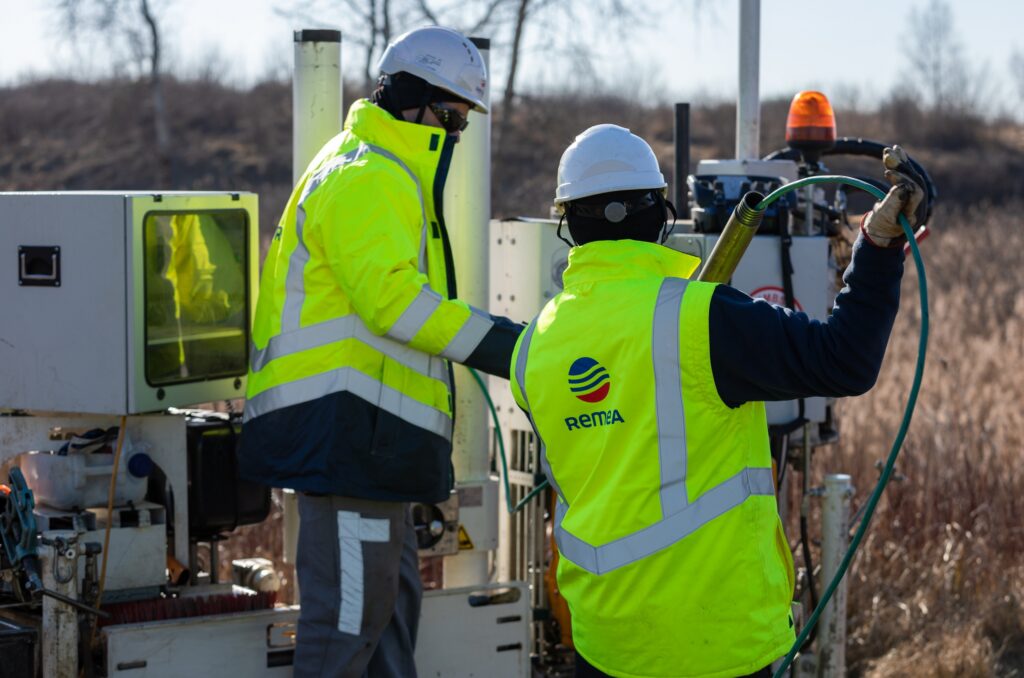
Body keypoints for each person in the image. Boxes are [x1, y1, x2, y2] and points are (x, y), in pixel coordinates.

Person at [509, 124, 922, 678]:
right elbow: (844, 358)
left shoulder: (532, 346)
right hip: (715, 645)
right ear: (660, 214)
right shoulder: (701, 318)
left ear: (567, 224)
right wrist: (878, 242)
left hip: (604, 643)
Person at [238, 26, 522, 678]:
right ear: (411, 99)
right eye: (450, 115)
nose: (456, 132)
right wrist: (509, 347)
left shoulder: (384, 173)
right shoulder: (368, 175)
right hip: (346, 445)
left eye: (463, 120)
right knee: (347, 627)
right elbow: (393, 302)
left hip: (369, 449)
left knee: (385, 619)